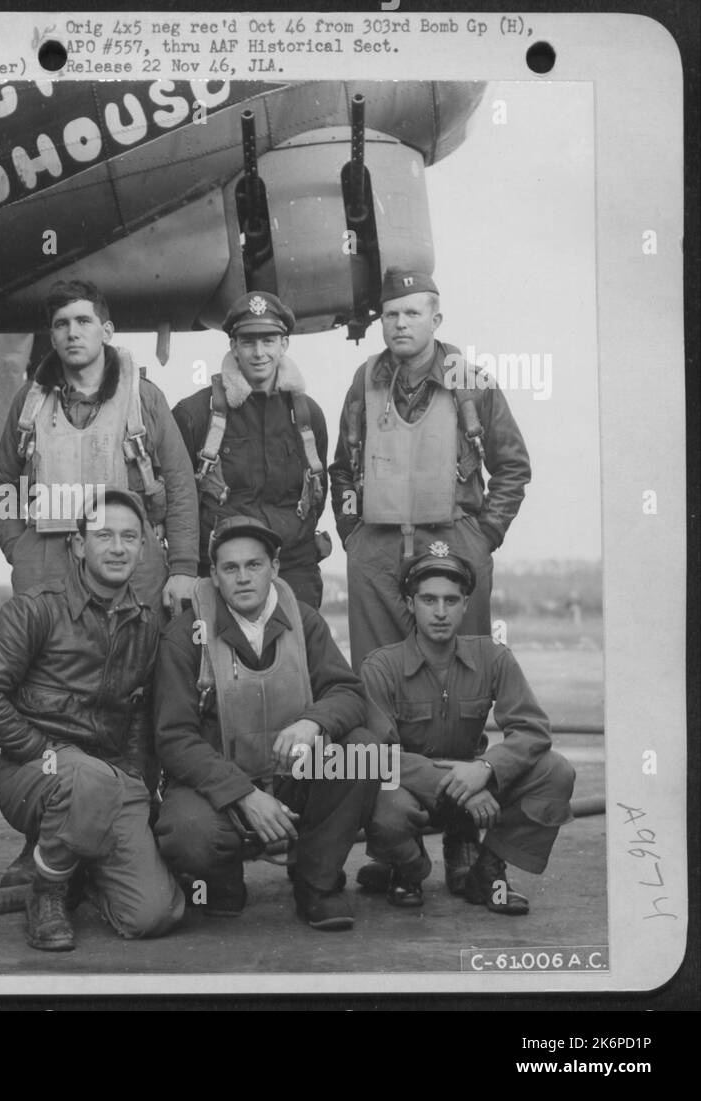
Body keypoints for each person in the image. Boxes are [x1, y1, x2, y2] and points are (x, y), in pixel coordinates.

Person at [0, 490, 185, 951]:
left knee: (154, 913)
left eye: (129, 537)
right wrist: (42, 750)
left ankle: (82, 868)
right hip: (32, 771)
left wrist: (140, 780)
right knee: (86, 778)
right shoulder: (36, 608)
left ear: (143, 548)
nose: (118, 547)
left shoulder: (146, 624)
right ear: (79, 545)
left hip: (108, 777)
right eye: (104, 536)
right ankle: (48, 892)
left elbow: (140, 712)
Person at [153, 516, 381, 931]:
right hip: (219, 788)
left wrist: (314, 722)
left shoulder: (304, 620)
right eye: (230, 568)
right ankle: (220, 881)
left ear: (274, 568)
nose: (243, 578)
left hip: (290, 775)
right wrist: (242, 794)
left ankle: (317, 884)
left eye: (254, 565)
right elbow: (174, 738)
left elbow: (348, 693)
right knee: (187, 831)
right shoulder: (185, 635)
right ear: (214, 576)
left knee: (361, 753)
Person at [330, 270, 531, 668]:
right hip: (377, 549)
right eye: (390, 316)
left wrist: (485, 534)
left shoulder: (472, 382)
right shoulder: (364, 381)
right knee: (376, 673)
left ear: (435, 320)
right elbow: (342, 469)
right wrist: (352, 530)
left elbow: (512, 466)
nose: (400, 324)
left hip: (454, 540)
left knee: (462, 672)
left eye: (411, 313)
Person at [358, 544, 575, 913]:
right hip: (416, 791)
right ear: (410, 604)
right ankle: (408, 868)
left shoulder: (494, 657)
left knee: (556, 771)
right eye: (428, 600)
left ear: (466, 604)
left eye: (451, 600)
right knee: (384, 803)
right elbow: (379, 756)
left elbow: (533, 730)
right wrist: (462, 786)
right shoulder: (381, 667)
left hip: (479, 783)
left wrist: (486, 769)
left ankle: (486, 869)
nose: (440, 612)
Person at [0, 279, 199, 617]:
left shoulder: (143, 399)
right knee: (49, 667)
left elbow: (179, 484)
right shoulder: (28, 404)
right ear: (52, 336)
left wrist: (184, 568)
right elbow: (1, 484)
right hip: (46, 570)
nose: (72, 332)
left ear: (107, 330)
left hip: (131, 568)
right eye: (61, 324)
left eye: (83, 321)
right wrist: (17, 548)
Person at [171, 292, 330, 607]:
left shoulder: (308, 416)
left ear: (284, 345)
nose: (259, 353)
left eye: (269, 341)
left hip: (292, 568)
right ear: (233, 345)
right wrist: (184, 568)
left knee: (298, 652)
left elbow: (317, 493)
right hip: (221, 569)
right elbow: (178, 499)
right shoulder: (195, 414)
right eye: (247, 341)